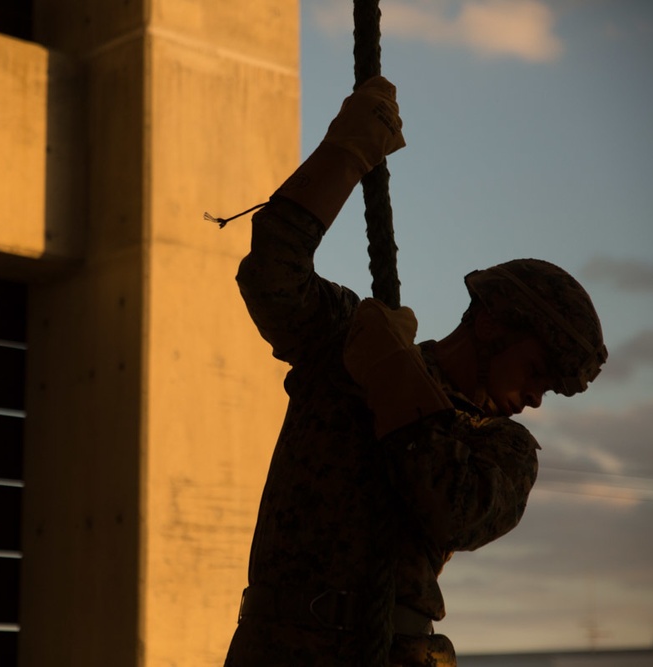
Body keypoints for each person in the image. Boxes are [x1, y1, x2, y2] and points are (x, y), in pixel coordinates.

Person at [223, 77, 607, 667]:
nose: (534, 398)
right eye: (535, 371)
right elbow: (272, 275)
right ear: (492, 324)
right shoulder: (349, 339)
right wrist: (344, 155)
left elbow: (448, 508)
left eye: (547, 387)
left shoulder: (503, 451)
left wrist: (394, 375)